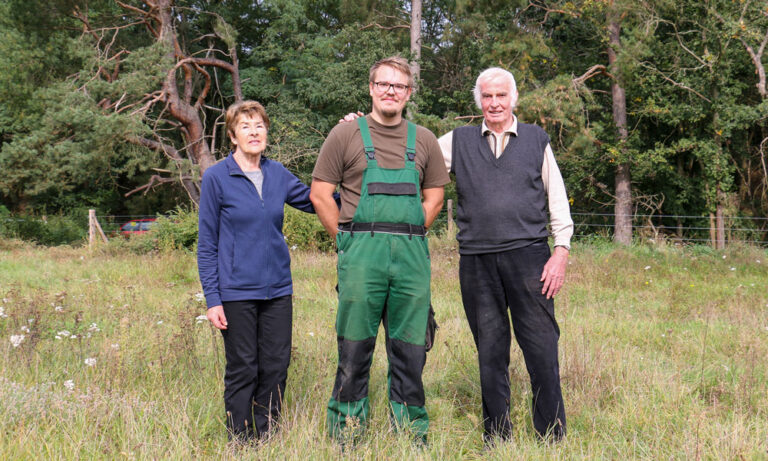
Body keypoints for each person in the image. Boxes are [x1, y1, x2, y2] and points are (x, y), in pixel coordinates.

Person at [310, 56, 450, 443]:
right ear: (371, 89)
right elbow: (320, 195)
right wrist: (346, 238)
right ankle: (347, 432)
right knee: (354, 349)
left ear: (409, 94)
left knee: (409, 349)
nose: (391, 91)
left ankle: (410, 432)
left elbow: (435, 199)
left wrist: (404, 233)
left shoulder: (423, 140)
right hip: (361, 254)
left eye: (399, 86)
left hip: (410, 255)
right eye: (384, 84)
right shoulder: (345, 135)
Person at [438, 67, 573, 443]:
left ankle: (551, 436)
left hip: (530, 259)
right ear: (478, 101)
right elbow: (410, 157)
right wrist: (360, 127)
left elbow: (557, 199)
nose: (494, 103)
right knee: (490, 354)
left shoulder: (535, 139)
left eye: (501, 95)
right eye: (487, 96)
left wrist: (560, 251)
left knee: (542, 349)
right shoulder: (457, 141)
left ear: (514, 99)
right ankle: (496, 437)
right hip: (477, 262)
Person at [197, 100, 315, 442]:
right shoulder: (217, 177)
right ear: (233, 135)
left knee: (276, 366)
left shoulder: (277, 174)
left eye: (260, 126)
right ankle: (240, 438)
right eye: (246, 126)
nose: (254, 132)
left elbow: (316, 200)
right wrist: (213, 299)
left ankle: (267, 435)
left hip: (278, 290)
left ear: (267, 133)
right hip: (235, 292)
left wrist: (351, 177)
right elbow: (207, 245)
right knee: (243, 367)